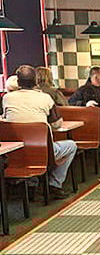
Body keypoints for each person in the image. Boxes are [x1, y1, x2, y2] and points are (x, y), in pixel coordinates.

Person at [1, 64, 77, 199]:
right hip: (44, 150)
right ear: (35, 81)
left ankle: (31, 185)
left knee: (28, 153)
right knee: (71, 145)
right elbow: (56, 124)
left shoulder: (7, 98)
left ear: (18, 81)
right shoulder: (45, 98)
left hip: (14, 152)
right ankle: (55, 184)